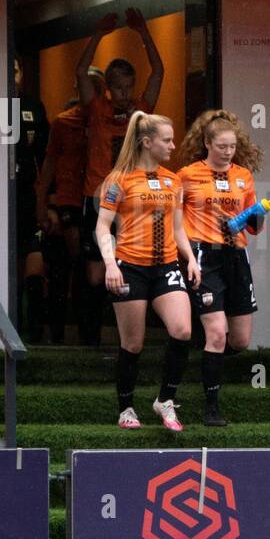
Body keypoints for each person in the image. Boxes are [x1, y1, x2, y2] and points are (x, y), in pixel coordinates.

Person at [94, 111, 198, 431]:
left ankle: (165, 400)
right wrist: (111, 264)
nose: (173, 144)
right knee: (133, 344)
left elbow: (178, 228)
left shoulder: (174, 179)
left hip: (166, 265)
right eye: (167, 140)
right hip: (130, 267)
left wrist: (191, 259)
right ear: (147, 142)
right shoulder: (118, 179)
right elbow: (102, 227)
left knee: (182, 330)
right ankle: (126, 408)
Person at [76, 8, 164, 345]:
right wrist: (97, 34)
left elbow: (159, 71)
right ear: (108, 87)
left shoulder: (142, 111)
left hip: (133, 200)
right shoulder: (96, 109)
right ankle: (89, 341)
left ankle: (129, 340)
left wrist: (143, 32)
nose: (123, 93)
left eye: (128, 86)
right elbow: (81, 71)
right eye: (117, 87)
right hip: (97, 198)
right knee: (96, 275)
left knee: (130, 268)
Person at [176, 109, 266, 427]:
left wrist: (257, 215)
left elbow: (255, 227)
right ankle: (211, 406)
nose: (227, 152)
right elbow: (175, 220)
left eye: (231, 147)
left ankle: (208, 357)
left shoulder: (243, 176)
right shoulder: (187, 175)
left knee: (239, 340)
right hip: (204, 254)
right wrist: (184, 253)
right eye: (222, 146)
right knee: (216, 333)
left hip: (236, 254)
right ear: (207, 143)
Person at [36, 67, 105, 343]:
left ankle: (91, 334)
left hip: (101, 202)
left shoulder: (110, 120)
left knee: (94, 269)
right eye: (88, 87)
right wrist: (42, 205)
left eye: (98, 88)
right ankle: (58, 334)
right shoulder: (63, 123)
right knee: (74, 262)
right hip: (70, 202)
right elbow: (49, 164)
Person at [11, 54, 50, 343]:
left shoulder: (34, 107)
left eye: (15, 70)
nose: (11, 77)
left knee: (34, 268)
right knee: (11, 269)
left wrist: (45, 202)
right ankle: (12, 329)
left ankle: (35, 335)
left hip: (27, 196)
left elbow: (47, 159)